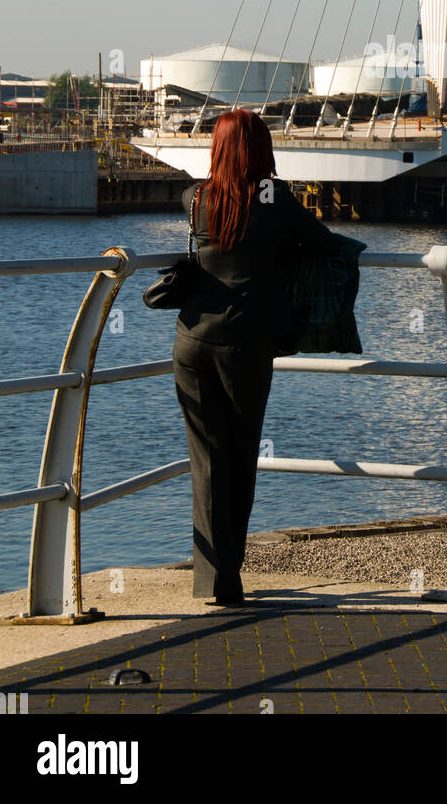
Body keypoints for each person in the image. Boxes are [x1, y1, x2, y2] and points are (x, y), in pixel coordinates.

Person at [173, 108, 344, 607]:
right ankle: (230, 577)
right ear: (260, 149)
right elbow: (323, 244)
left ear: (218, 148)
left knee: (206, 460)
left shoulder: (193, 198)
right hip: (246, 345)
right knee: (242, 454)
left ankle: (210, 580)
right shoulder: (274, 198)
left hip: (190, 343)